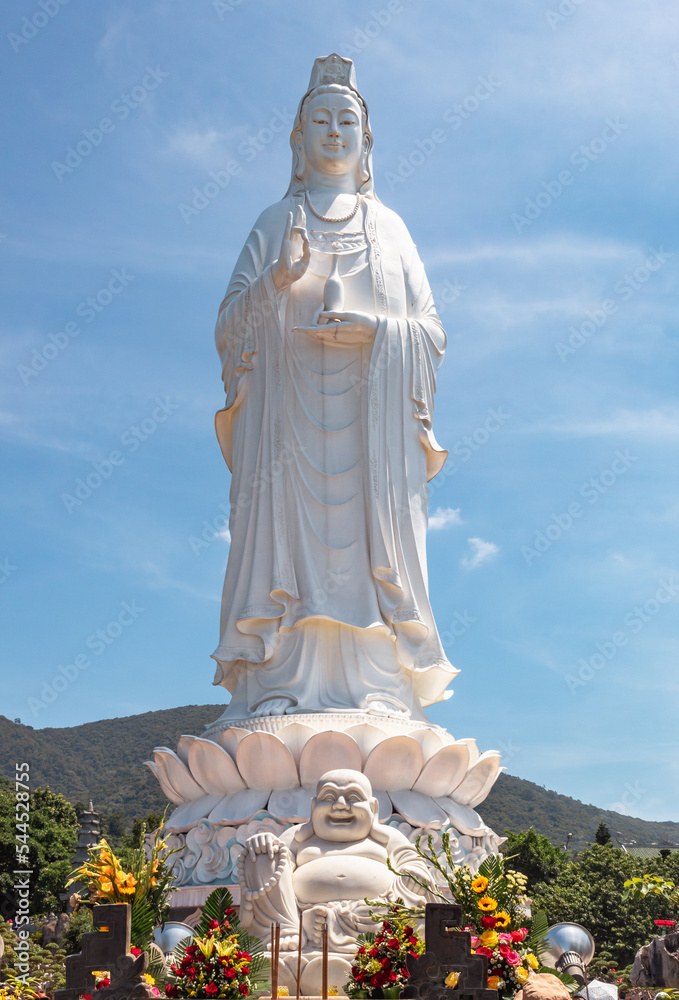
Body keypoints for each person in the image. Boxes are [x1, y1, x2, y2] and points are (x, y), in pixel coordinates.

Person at [212, 53, 457, 721]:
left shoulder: (390, 229)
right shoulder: (272, 223)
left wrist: (377, 331)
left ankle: (378, 683)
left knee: (372, 559)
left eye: (346, 120)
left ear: (366, 140)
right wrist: (276, 282)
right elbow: (227, 332)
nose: (332, 132)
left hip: (369, 434)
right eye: (317, 119)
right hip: (286, 433)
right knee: (287, 552)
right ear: (297, 140)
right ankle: (277, 684)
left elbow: (430, 332)